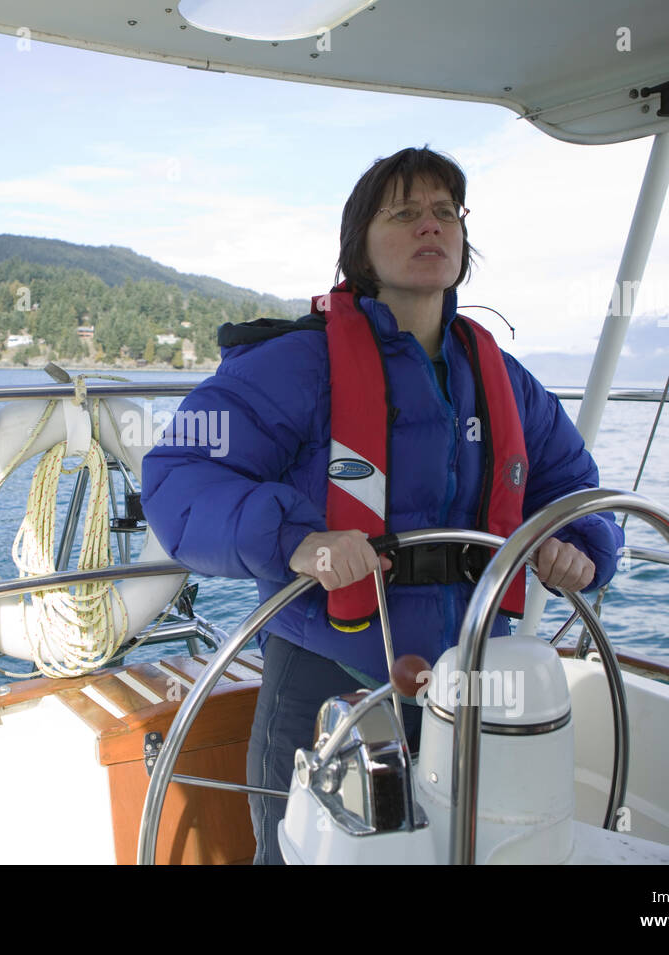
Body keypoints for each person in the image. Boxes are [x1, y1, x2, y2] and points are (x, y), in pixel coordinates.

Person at [140, 146, 625, 865]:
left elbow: (574, 489)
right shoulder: (297, 364)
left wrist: (581, 541)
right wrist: (297, 541)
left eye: (444, 213)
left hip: (469, 683)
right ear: (359, 246)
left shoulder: (508, 382)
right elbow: (176, 472)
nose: (430, 226)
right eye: (404, 213)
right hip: (329, 675)